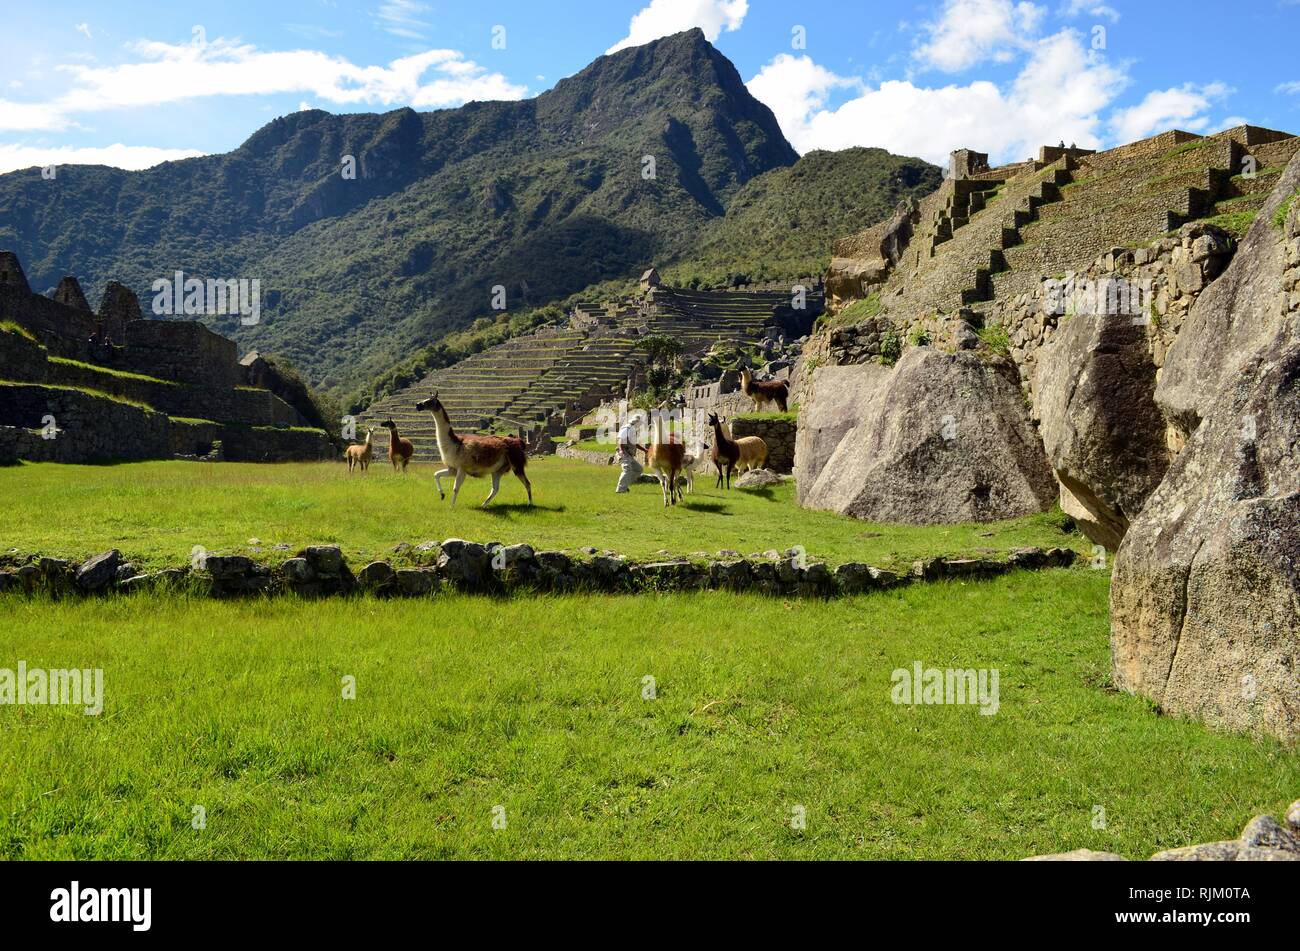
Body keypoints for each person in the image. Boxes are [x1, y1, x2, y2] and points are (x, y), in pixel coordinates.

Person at [615, 413, 646, 493]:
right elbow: (621, 440)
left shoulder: (632, 429)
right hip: (624, 453)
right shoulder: (627, 428)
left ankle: (625, 485)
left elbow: (634, 444)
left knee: (638, 469)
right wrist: (622, 450)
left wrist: (644, 450)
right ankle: (621, 490)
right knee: (627, 470)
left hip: (629, 455)